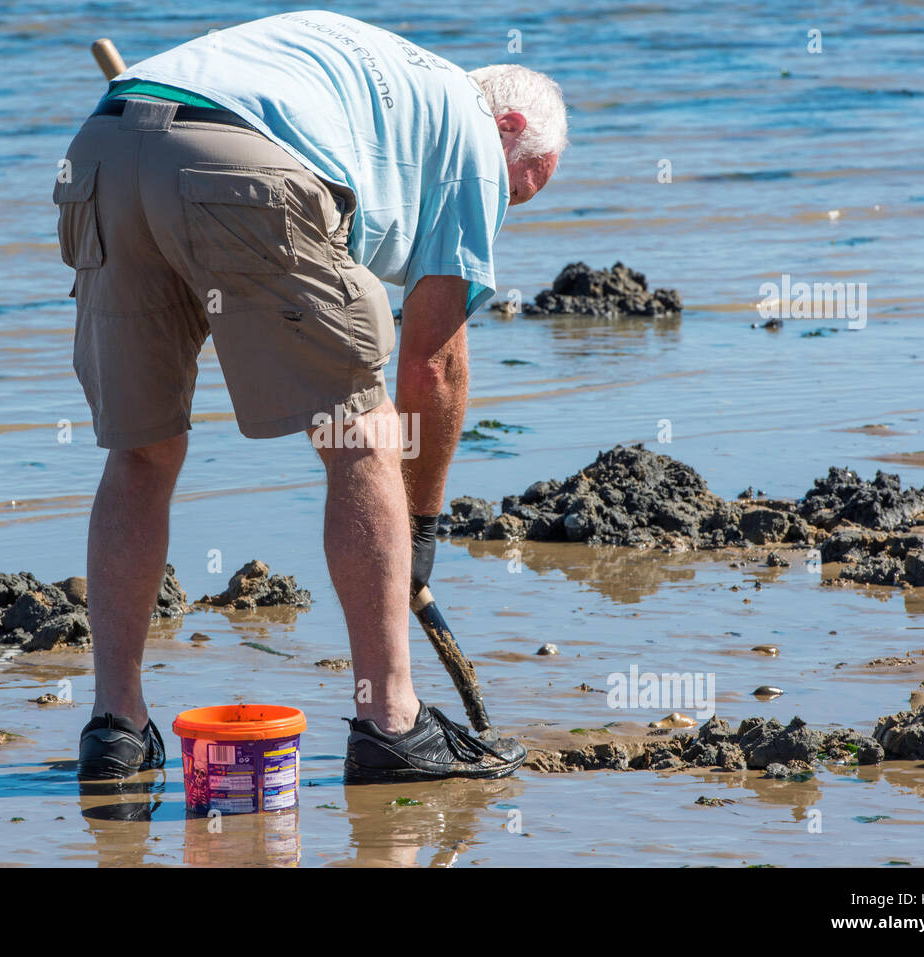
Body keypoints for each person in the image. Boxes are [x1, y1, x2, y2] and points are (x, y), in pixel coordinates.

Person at [53, 10, 566, 782]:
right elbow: (433, 361)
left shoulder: (386, 83)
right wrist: (420, 526)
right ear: (513, 125)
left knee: (142, 452)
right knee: (359, 439)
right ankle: (391, 722)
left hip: (105, 148)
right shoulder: (467, 131)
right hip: (239, 159)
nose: (505, 211)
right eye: (521, 189)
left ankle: (116, 729)